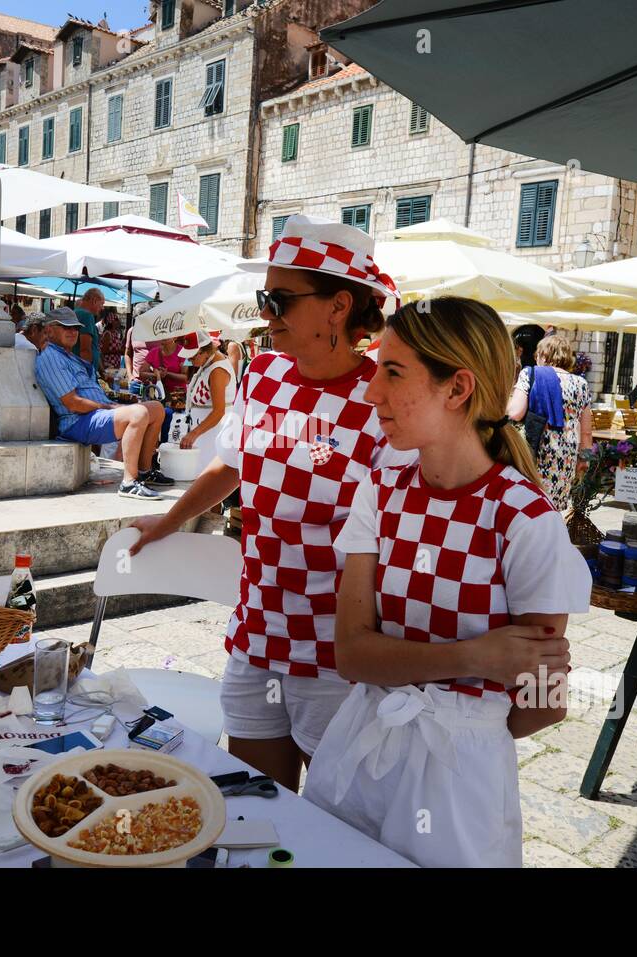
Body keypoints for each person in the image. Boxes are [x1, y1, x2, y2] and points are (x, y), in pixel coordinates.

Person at [127, 214, 415, 790]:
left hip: (337, 647)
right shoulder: (262, 374)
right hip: (259, 626)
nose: (265, 313)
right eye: (265, 297)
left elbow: (400, 535)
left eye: (279, 299)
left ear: (338, 307)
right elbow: (231, 463)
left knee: (340, 813)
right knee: (261, 801)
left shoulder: (383, 398)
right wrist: (171, 518)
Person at [302, 296, 588, 867]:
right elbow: (353, 654)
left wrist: (465, 723)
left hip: (460, 779)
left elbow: (544, 701)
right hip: (368, 744)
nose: (370, 392)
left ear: (456, 389)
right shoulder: (378, 490)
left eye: (392, 371)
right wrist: (476, 659)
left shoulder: (524, 520)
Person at [34, 307, 173, 500]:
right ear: (48, 330)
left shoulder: (67, 356)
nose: (73, 331)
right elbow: (72, 403)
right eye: (66, 327)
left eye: (75, 327)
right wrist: (108, 406)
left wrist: (109, 404)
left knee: (158, 409)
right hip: (76, 421)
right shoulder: (50, 357)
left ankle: (144, 471)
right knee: (138, 414)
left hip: (93, 415)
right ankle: (129, 483)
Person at [507, 334, 594, 512]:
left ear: (542, 355)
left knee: (526, 505)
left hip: (535, 450)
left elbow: (515, 413)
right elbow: (586, 431)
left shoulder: (530, 374)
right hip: (565, 457)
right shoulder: (581, 384)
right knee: (551, 509)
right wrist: (584, 458)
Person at [175, 331, 237, 463]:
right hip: (205, 431)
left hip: (212, 433)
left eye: (192, 357)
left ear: (204, 352)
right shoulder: (208, 363)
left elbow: (219, 411)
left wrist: (194, 433)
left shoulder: (218, 371)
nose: (190, 361)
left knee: (204, 471)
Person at [74, 288, 105, 368]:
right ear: (94, 300)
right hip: (82, 369)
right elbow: (85, 349)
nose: (102, 308)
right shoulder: (87, 315)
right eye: (102, 304)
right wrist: (89, 373)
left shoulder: (76, 312)